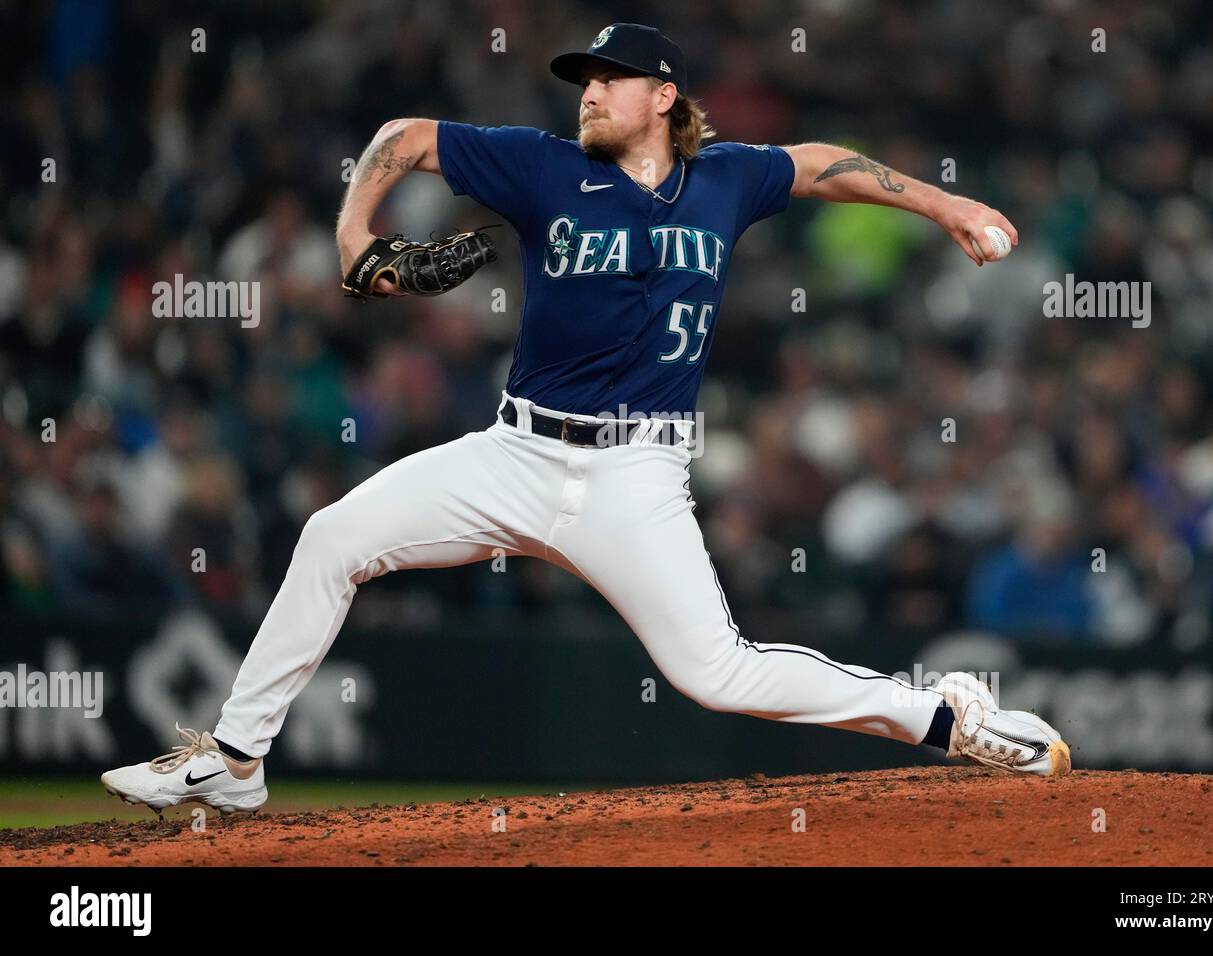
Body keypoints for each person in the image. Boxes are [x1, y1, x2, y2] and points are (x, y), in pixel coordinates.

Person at [102, 23, 1068, 816]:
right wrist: (356, 235)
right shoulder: (541, 167)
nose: (590, 92)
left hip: (634, 481)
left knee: (717, 673)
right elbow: (405, 134)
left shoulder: (726, 181)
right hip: (515, 451)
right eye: (585, 80)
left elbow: (819, 164)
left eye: (612, 79)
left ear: (665, 99)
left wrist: (945, 206)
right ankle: (234, 761)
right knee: (333, 536)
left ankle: (942, 720)